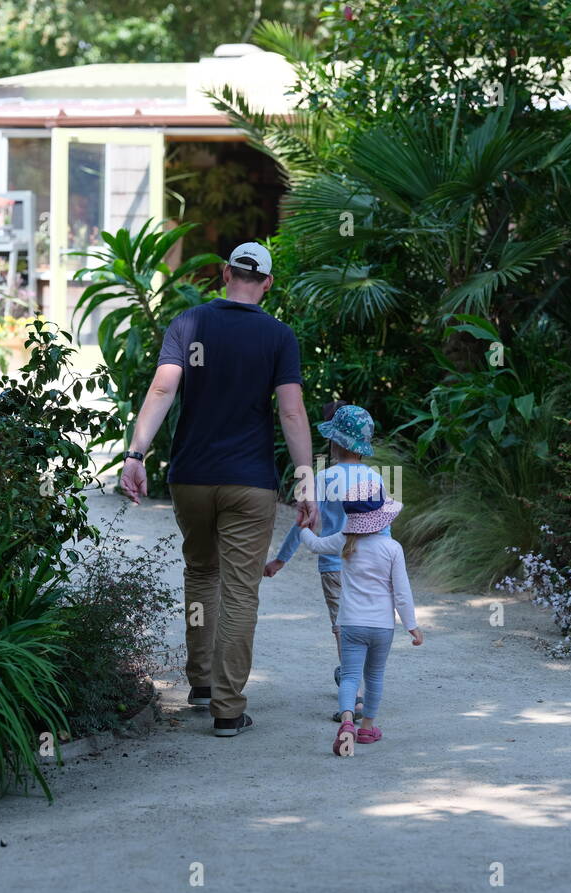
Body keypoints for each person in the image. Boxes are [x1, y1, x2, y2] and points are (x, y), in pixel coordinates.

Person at [119, 241, 318, 737]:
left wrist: (135, 454)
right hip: (249, 483)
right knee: (240, 592)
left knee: (201, 574)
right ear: (267, 283)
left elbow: (162, 390)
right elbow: (291, 411)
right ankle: (227, 709)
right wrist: (306, 479)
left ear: (224, 273)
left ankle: (202, 683)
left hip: (191, 477)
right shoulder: (278, 335)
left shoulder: (188, 324)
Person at [263, 402, 389, 721]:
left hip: (334, 565)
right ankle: (356, 679)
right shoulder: (376, 478)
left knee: (342, 628)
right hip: (370, 565)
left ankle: (355, 694)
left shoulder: (323, 478)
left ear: (334, 442)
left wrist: (280, 559)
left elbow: (303, 522)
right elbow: (384, 524)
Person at [298, 485, 422, 756]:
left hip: (351, 624)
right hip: (381, 626)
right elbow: (402, 592)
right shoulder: (392, 548)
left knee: (350, 676)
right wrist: (411, 626)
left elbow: (316, 545)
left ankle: (346, 723)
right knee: (374, 676)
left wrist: (303, 527)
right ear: (382, 517)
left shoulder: (344, 540)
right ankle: (367, 728)